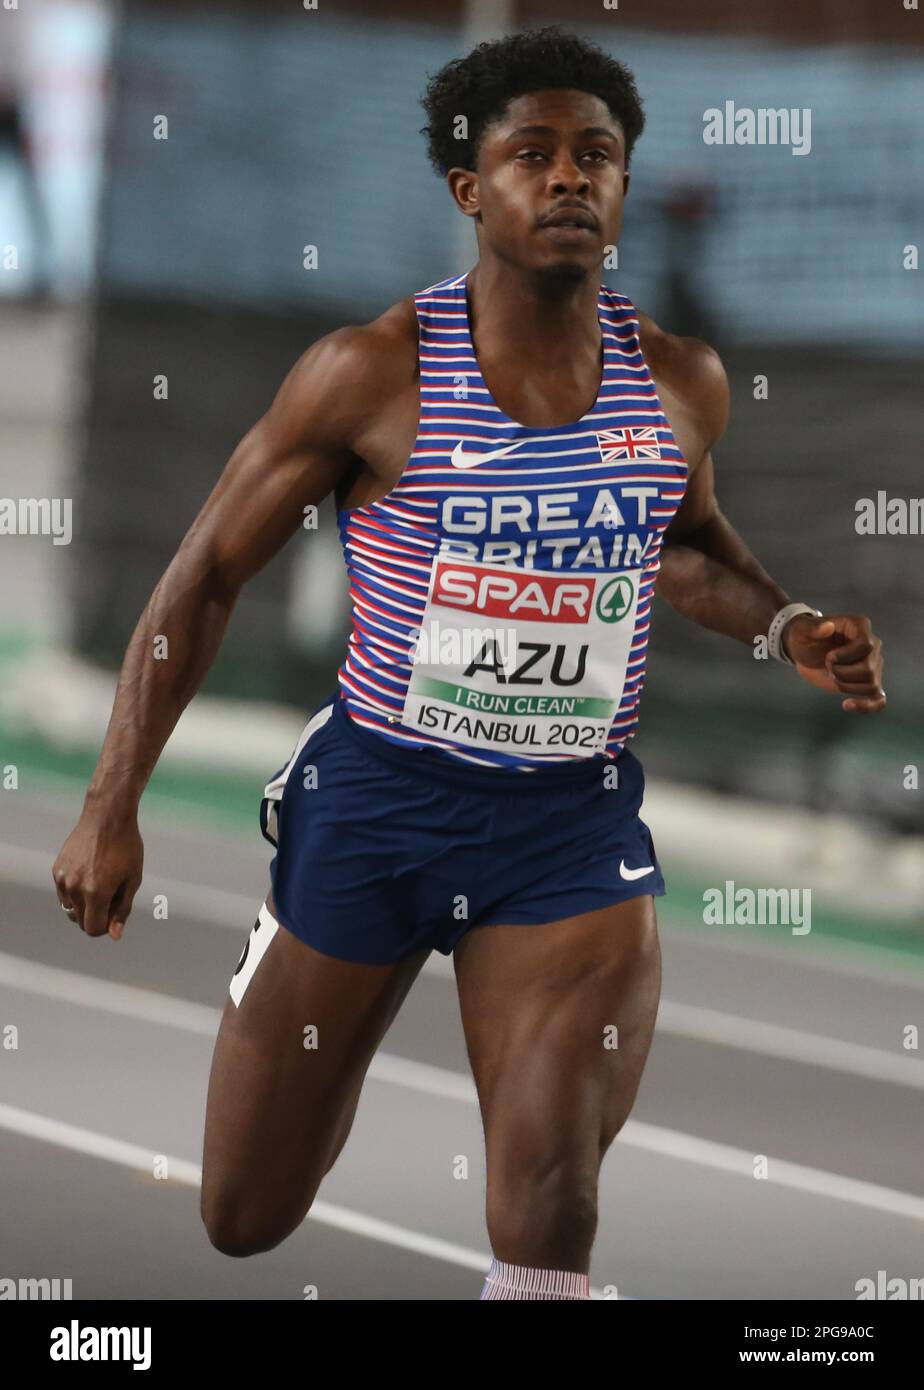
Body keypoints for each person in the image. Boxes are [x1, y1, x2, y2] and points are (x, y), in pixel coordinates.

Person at [52, 27, 885, 1300]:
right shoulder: (370, 373)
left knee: (549, 1205)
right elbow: (204, 577)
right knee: (243, 1210)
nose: (568, 179)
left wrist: (787, 627)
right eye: (533, 155)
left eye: (596, 157)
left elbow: (683, 544)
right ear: (468, 190)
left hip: (566, 828)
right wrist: (112, 803)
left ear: (621, 189)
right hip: (377, 802)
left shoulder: (676, 383)